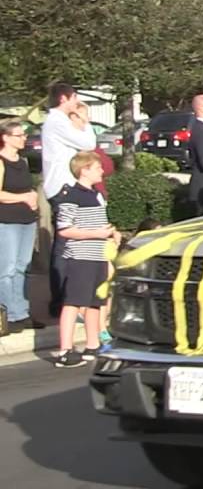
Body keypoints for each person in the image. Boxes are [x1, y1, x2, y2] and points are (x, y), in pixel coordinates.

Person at [54, 151, 119, 369]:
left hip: (97, 255)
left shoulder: (96, 195)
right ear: (84, 170)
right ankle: (65, 349)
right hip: (80, 256)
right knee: (73, 302)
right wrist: (96, 234)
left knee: (94, 302)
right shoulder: (72, 195)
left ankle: (93, 344)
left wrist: (109, 233)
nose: (102, 171)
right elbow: (64, 229)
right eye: (97, 168)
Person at [0, 121, 39, 334]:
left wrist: (31, 195)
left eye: (24, 135)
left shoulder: (22, 162)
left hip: (27, 220)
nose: (23, 138)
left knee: (23, 266)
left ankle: (22, 311)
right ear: (6, 138)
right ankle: (9, 314)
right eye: (18, 135)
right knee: (7, 268)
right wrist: (23, 197)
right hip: (7, 220)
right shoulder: (1, 162)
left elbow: (26, 186)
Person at [40, 83, 97, 200]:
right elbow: (89, 144)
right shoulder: (57, 123)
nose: (77, 101)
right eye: (74, 97)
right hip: (62, 187)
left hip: (67, 185)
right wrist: (86, 122)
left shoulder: (62, 121)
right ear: (63, 98)